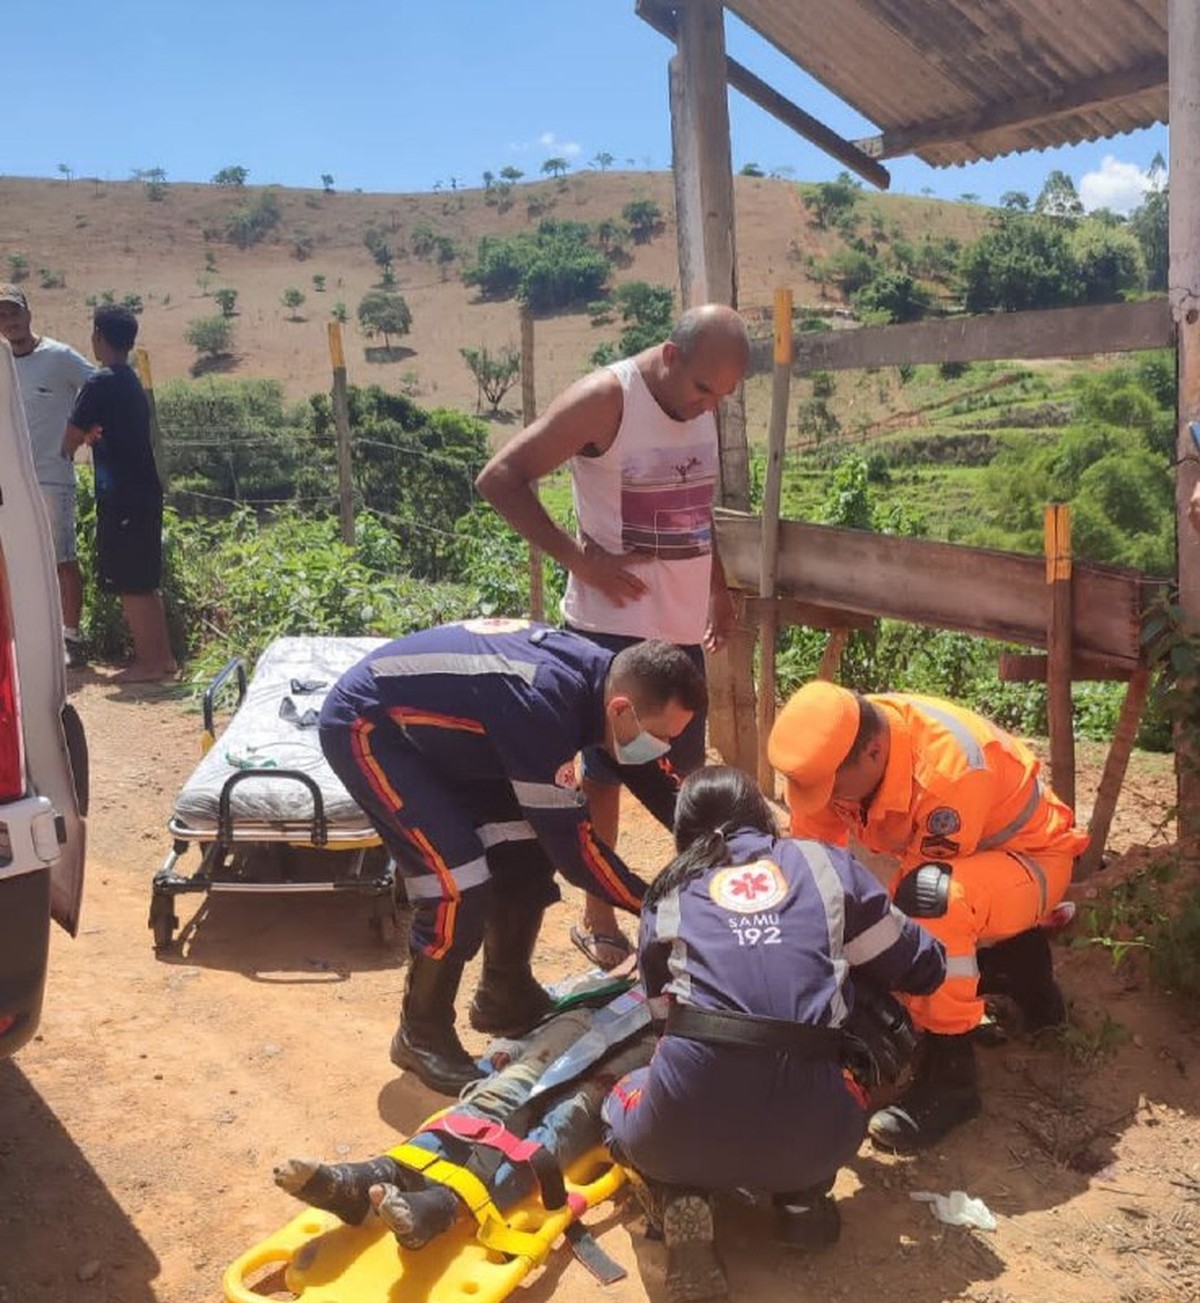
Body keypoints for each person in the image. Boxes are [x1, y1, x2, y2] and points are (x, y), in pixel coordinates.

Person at [601, 765, 946, 1303]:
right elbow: (920, 968)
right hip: (819, 1136)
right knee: (825, 1029)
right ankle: (801, 1202)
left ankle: (678, 1193)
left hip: (681, 1128)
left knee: (622, 1099)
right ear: (761, 814)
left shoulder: (668, 891)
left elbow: (662, 1021)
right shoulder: (825, 866)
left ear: (684, 832)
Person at [318, 618, 706, 1096]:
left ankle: (506, 995)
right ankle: (419, 1033)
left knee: (525, 849)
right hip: (371, 728)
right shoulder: (543, 703)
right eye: (658, 736)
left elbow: (657, 781)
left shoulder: (601, 689)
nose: (662, 748)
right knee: (456, 883)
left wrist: (724, 842)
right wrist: (659, 906)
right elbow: (577, 853)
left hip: (459, 739)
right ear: (622, 709)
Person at [476, 304, 750, 973]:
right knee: (602, 780)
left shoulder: (701, 403)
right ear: (669, 354)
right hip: (609, 637)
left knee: (681, 781)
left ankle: (697, 920)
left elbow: (696, 509)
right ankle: (599, 916)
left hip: (680, 635)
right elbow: (499, 478)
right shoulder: (607, 399)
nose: (708, 405)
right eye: (702, 389)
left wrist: (717, 587)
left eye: (722, 396)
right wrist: (580, 560)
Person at [767, 681, 1089, 1154]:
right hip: (980, 860)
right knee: (907, 899)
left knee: (932, 900)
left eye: (830, 787)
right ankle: (1027, 977)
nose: (822, 798)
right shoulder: (841, 746)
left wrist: (875, 1000)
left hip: (1033, 863)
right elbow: (814, 867)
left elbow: (912, 927)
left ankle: (952, 1078)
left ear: (874, 753)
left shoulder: (947, 773)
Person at [274, 1003, 655, 1255]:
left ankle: (446, 1205)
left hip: (659, 1042)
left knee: (565, 1118)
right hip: (602, 1017)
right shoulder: (656, 934)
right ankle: (376, 1176)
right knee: (504, 1092)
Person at [62, 305, 176, 682]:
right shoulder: (128, 380)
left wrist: (77, 439)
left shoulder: (101, 382)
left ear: (98, 337)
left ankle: (148, 663)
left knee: (132, 582)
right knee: (145, 578)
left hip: (123, 495)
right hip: (144, 490)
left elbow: (69, 441)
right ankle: (162, 660)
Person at [0, 286, 94, 665]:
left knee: (61, 560)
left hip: (52, 477)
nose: (11, 321)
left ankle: (70, 638)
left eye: (15, 312)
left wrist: (86, 431)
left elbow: (98, 388)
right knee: (11, 563)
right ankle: (24, 641)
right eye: (3, 315)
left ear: (29, 313)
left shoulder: (59, 357)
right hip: (6, 485)